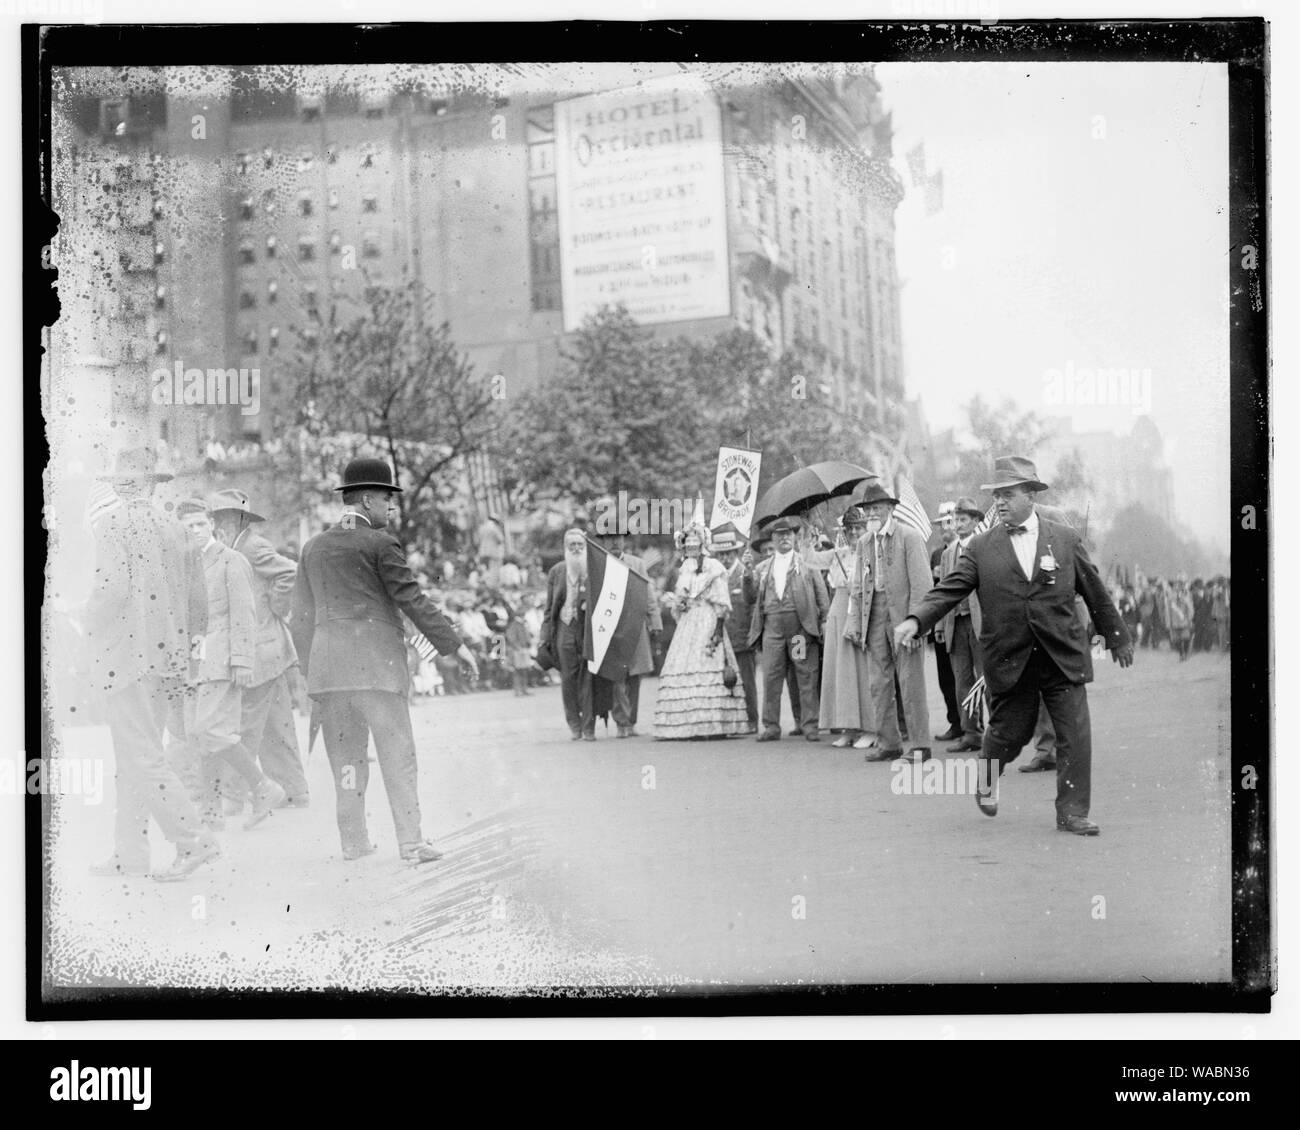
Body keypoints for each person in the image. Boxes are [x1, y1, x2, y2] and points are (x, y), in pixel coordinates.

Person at [894, 456, 1134, 836]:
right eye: (997, 496)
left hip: (1061, 654)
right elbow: (949, 589)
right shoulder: (981, 547)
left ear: (1031, 497)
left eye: (1008, 495)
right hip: (1010, 656)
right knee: (1011, 733)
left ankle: (1072, 813)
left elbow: (1095, 591)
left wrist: (1117, 638)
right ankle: (987, 777)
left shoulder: (1065, 539)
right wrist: (915, 619)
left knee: (1074, 734)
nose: (1000, 503)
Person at [290, 457, 479, 863]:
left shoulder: (313, 547)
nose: (392, 508)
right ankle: (411, 843)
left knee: (346, 761)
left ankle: (353, 842)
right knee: (397, 755)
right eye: (388, 499)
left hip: (330, 676)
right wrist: (455, 645)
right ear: (367, 499)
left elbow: (300, 619)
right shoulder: (380, 544)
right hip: (377, 671)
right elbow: (411, 599)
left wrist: (312, 672)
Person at [82, 448, 219, 882]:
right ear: (155, 484)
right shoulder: (179, 530)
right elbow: (200, 606)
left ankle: (194, 841)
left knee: (140, 754)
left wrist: (84, 624)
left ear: (125, 484)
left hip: (127, 660)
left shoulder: (112, 525)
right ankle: (130, 853)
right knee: (137, 753)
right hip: (169, 662)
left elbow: (110, 591)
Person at [174, 498, 289, 829]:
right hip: (194, 662)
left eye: (199, 524)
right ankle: (211, 813)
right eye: (188, 526)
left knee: (209, 730)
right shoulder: (183, 564)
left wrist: (242, 659)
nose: (195, 530)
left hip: (223, 659)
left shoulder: (231, 561)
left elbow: (245, 612)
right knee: (197, 737)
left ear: (211, 524)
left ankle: (262, 785)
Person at [210, 489, 309, 809]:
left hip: (263, 650)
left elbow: (290, 573)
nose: (217, 524)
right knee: (277, 725)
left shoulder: (252, 547)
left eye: (223, 517)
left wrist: (274, 608)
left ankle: (235, 796)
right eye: (217, 517)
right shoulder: (237, 547)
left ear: (238, 520)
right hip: (271, 652)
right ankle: (293, 790)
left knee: (246, 725)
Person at [844, 483, 934, 764]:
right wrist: (857, 624)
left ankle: (920, 746)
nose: (871, 513)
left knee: (910, 682)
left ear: (891, 509)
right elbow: (858, 587)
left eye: (876, 508)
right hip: (874, 617)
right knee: (878, 683)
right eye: (868, 508)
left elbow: (922, 585)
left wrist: (916, 622)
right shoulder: (863, 543)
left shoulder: (909, 537)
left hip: (904, 617)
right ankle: (889, 743)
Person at [653, 523, 750, 739]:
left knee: (710, 665)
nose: (692, 550)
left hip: (708, 619)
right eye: (688, 547)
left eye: (695, 546)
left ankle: (714, 725)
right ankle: (686, 724)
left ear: (703, 546)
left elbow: (722, 601)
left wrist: (718, 628)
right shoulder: (685, 568)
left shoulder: (715, 567)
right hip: (689, 623)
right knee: (685, 667)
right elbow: (679, 598)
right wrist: (679, 603)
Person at [747, 517, 829, 742]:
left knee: (805, 675)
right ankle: (771, 726)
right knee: (771, 677)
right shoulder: (763, 567)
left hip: (799, 631)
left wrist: (824, 619)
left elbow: (822, 595)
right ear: (772, 538)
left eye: (788, 534)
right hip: (772, 631)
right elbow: (750, 597)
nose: (784, 538)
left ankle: (810, 725)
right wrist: (746, 574)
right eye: (779, 534)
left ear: (794, 537)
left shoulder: (807, 564)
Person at [819, 507, 875, 748]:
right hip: (839, 610)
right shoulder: (838, 554)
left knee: (862, 670)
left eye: (858, 527)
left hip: (861, 611)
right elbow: (811, 560)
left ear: (866, 528)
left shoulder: (873, 553)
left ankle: (871, 729)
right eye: (850, 527)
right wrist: (807, 532)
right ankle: (848, 727)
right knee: (841, 671)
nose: (854, 531)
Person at [599, 526, 662, 737]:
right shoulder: (599, 565)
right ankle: (621, 722)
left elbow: (648, 594)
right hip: (611, 629)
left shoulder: (637, 564)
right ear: (603, 542)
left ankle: (631, 721)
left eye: (618, 538)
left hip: (635, 627)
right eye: (609, 539)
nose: (614, 542)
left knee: (635, 676)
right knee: (617, 676)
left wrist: (655, 622)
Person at [937, 497, 986, 753]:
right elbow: (943, 591)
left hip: (980, 624)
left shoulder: (985, 547)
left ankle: (996, 734)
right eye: (956, 519)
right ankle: (970, 733)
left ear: (976, 521)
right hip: (955, 623)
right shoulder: (947, 554)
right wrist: (938, 625)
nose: (958, 524)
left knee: (985, 679)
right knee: (962, 681)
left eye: (963, 519)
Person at [541, 528, 596, 740]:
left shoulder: (592, 569)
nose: (575, 549)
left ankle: (589, 726)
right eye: (571, 545)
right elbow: (549, 608)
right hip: (563, 628)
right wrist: (544, 636)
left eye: (579, 545)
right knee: (567, 678)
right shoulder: (557, 571)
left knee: (588, 677)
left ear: (585, 547)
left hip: (586, 629)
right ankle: (574, 724)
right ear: (565, 547)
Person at [713, 524, 759, 734]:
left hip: (742, 637)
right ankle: (732, 721)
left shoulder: (745, 573)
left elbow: (752, 604)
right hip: (723, 638)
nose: (725, 559)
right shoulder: (716, 577)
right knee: (726, 681)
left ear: (736, 552)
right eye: (721, 554)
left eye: (728, 554)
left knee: (747, 682)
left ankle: (751, 719)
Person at [929, 501, 964, 743]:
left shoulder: (969, 549)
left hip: (965, 618)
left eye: (949, 522)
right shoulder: (935, 554)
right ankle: (956, 721)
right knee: (946, 676)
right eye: (941, 524)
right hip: (944, 619)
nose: (945, 528)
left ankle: (974, 724)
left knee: (966, 676)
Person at [503, 602, 534, 697]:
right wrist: (518, 647)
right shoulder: (514, 624)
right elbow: (511, 637)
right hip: (517, 650)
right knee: (517, 671)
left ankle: (524, 689)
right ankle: (518, 690)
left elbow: (528, 635)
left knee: (524, 670)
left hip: (524, 649)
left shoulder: (523, 623)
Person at [1167, 580, 1194, 660]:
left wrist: (1189, 619)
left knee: (1185, 638)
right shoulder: (1171, 598)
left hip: (1184, 622)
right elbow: (1168, 611)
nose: (1177, 588)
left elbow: (1191, 610)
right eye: (1176, 587)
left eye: (1179, 586)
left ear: (1182, 587)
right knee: (1176, 640)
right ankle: (1181, 653)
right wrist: (1169, 622)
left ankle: (1185, 653)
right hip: (1175, 622)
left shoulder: (1186, 597)